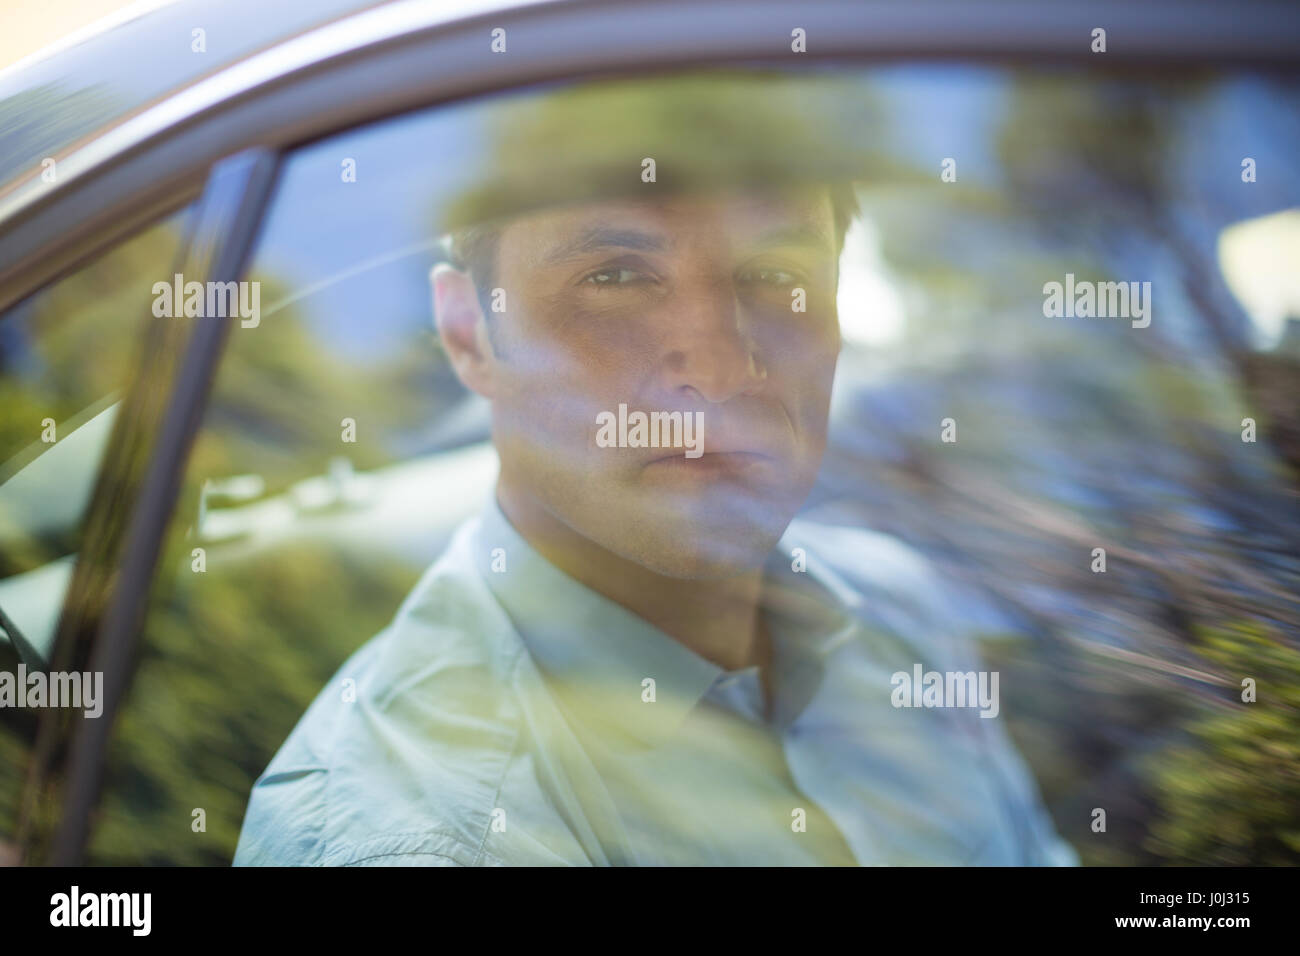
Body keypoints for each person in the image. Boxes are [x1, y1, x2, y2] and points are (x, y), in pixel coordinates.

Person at [232, 180, 1077, 866]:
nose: (715, 370)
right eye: (615, 277)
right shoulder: (412, 839)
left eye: (777, 276)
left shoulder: (900, 610)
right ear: (469, 333)